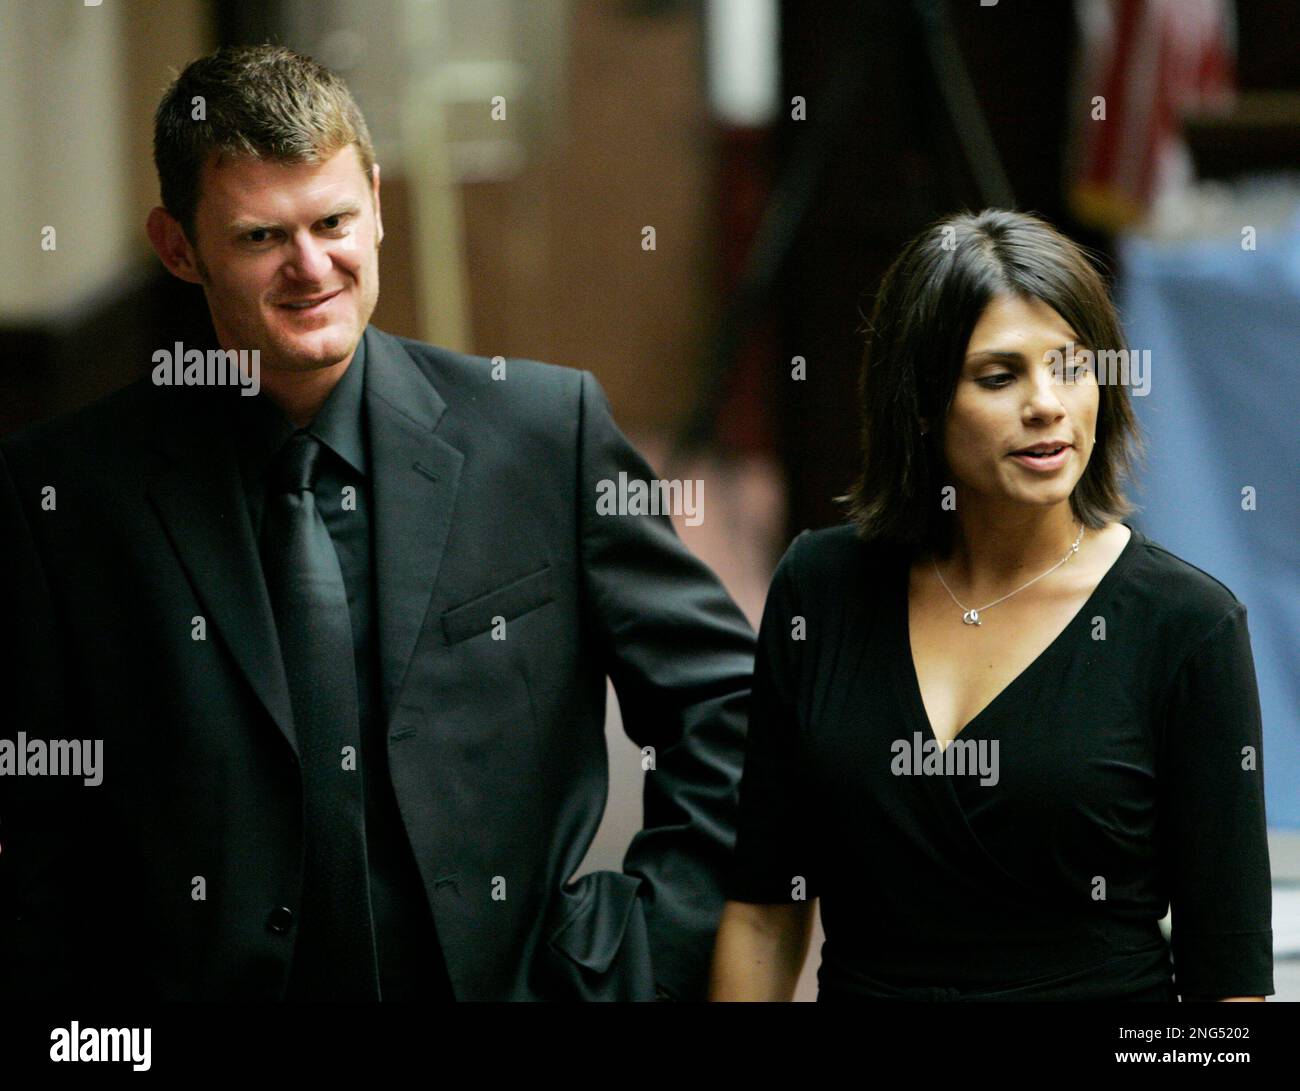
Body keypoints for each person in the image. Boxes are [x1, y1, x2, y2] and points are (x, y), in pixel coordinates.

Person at [0, 44, 755, 1002]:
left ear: (378, 206)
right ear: (178, 246)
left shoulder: (544, 435)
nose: (311, 267)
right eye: (261, 237)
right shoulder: (61, 494)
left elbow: (729, 711)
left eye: (334, 221)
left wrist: (630, 949)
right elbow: (41, 825)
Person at [709, 209, 1273, 1002]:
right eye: (1000, 376)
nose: (1047, 403)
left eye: (1072, 366)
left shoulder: (1187, 625)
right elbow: (766, 912)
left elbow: (1229, 989)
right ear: (920, 401)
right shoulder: (821, 587)